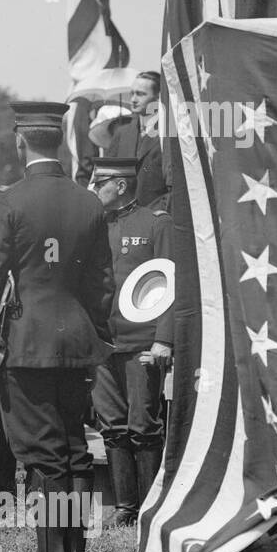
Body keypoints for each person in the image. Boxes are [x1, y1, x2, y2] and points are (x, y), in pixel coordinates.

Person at [0, 103, 113, 552]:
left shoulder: (7, 202)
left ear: (19, 142)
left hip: (26, 345)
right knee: (74, 450)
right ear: (58, 140)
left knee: (43, 455)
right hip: (76, 343)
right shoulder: (89, 202)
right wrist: (98, 340)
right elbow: (102, 285)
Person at [89, 158, 173, 525]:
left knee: (143, 425)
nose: (93, 190)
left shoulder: (157, 224)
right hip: (104, 343)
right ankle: (125, 507)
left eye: (99, 183)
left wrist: (164, 341)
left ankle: (150, 509)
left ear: (120, 185)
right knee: (112, 425)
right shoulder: (93, 227)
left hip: (142, 343)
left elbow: (173, 285)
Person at [93, 72, 169, 208]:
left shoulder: (168, 134)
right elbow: (104, 179)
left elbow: (176, 188)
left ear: (158, 97)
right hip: (121, 218)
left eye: (140, 94)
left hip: (156, 218)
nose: (133, 99)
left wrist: (154, 215)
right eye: (132, 93)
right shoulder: (122, 134)